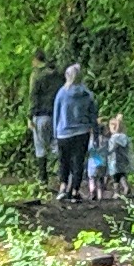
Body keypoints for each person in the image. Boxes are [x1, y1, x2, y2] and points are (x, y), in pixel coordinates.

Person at [52, 63, 98, 201]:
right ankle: (75, 191)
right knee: (78, 162)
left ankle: (63, 187)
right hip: (82, 132)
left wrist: (55, 134)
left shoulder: (62, 93)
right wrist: (95, 133)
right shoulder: (87, 94)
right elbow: (93, 116)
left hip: (63, 133)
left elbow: (56, 114)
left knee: (63, 161)